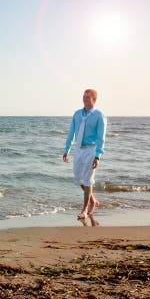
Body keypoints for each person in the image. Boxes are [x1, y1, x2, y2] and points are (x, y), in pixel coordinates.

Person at [63, 88, 107, 226]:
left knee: (88, 180)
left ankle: (85, 210)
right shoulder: (77, 114)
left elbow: (101, 138)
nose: (84, 99)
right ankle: (93, 200)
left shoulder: (100, 116)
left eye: (88, 97)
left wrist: (97, 156)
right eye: (84, 96)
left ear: (94, 99)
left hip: (91, 150)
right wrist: (67, 150)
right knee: (78, 178)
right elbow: (71, 133)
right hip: (79, 150)